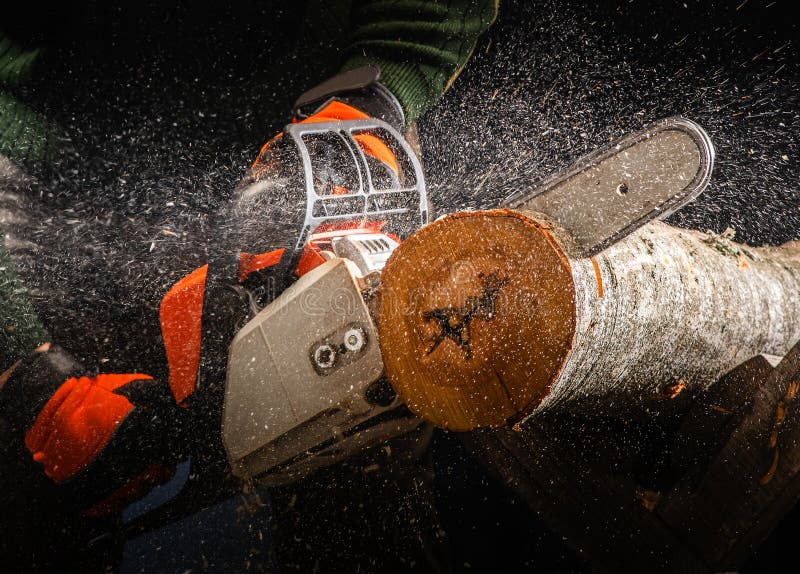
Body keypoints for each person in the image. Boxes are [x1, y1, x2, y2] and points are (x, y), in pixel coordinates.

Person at [1, 2, 497, 571]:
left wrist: (366, 97)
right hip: (50, 169)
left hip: (304, 129)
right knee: (36, 484)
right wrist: (28, 377)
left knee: (359, 452)